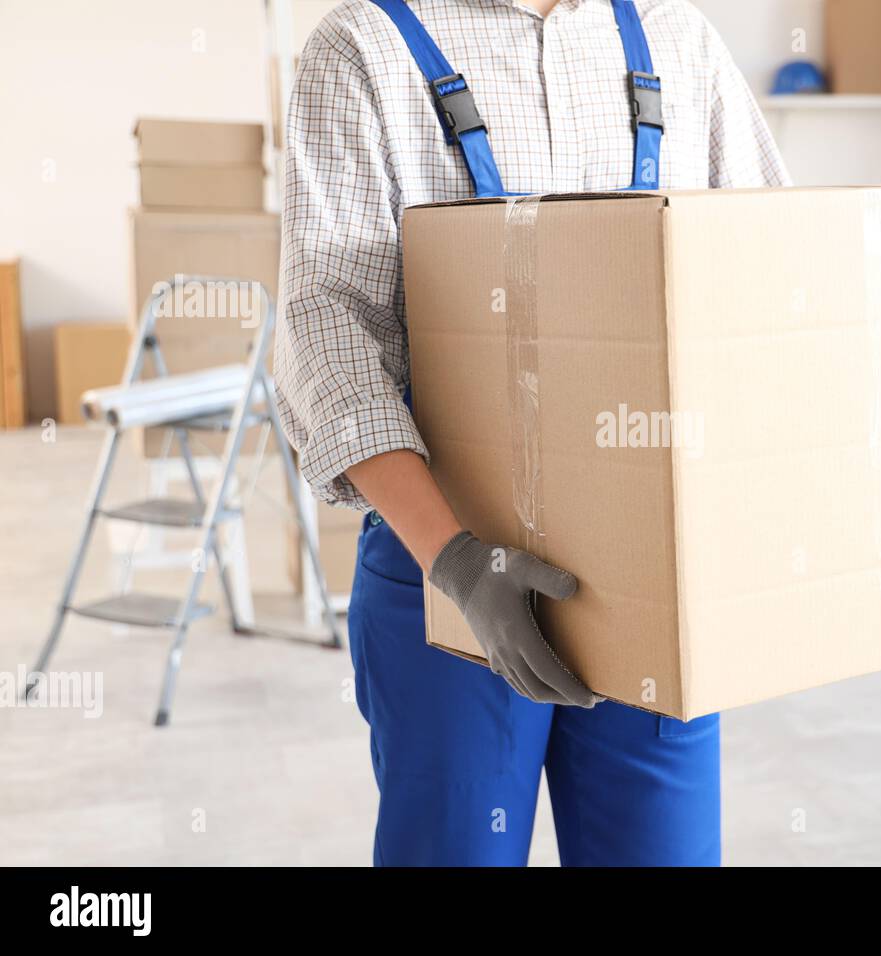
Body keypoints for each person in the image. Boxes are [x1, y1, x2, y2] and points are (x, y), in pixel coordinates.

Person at [276, 0, 789, 866]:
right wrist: (460, 565)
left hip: (650, 575)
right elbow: (330, 335)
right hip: (442, 569)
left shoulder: (678, 39)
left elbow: (767, 263)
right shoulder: (360, 49)